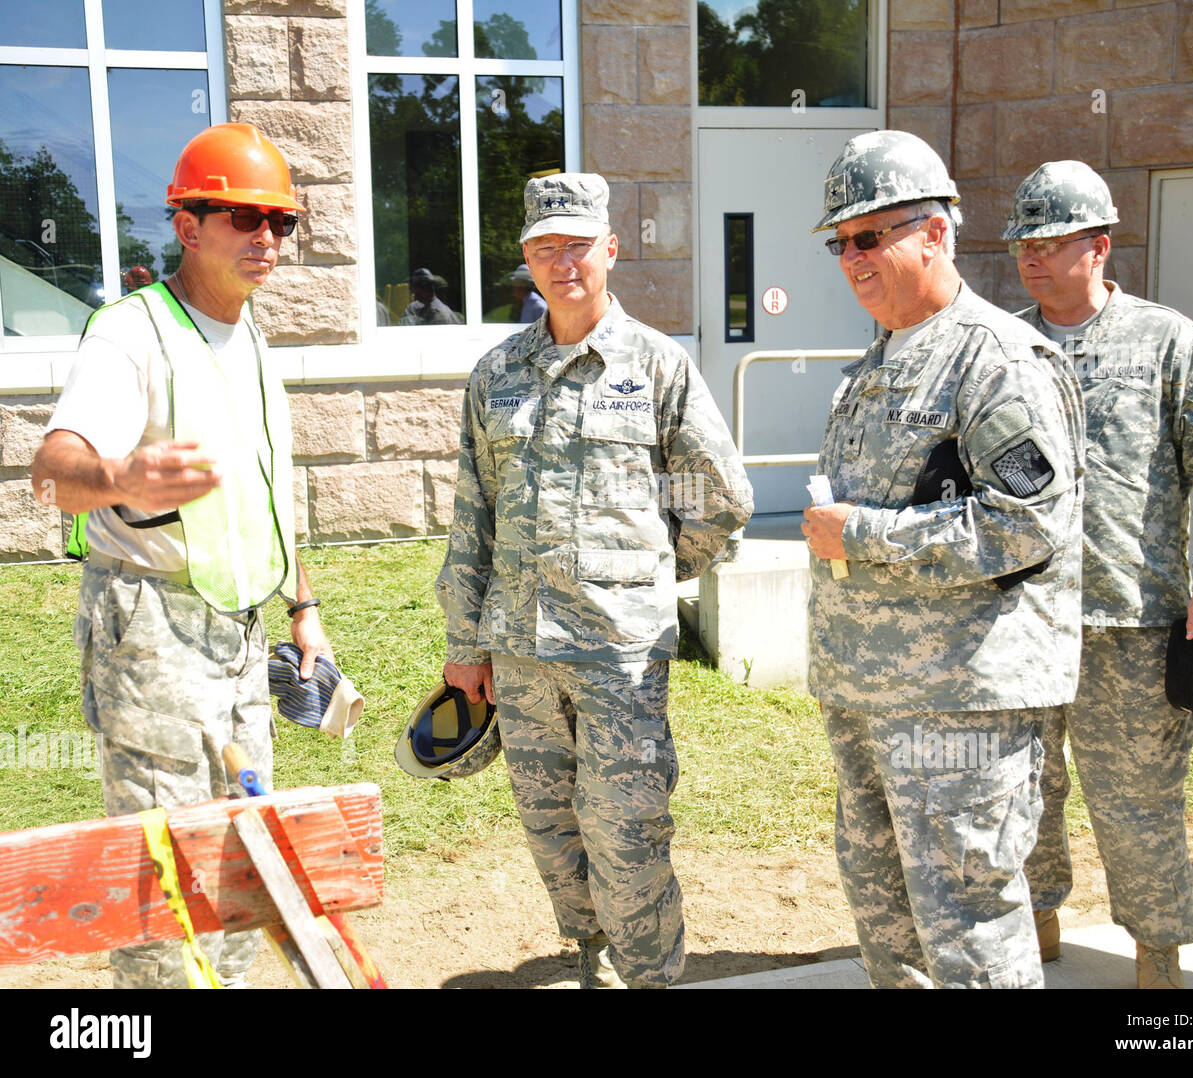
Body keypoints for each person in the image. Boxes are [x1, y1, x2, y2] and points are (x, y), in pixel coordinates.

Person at [30, 122, 333, 989]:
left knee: (242, 849)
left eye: (279, 222)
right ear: (187, 226)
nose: (265, 238)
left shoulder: (254, 339)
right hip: (154, 636)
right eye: (241, 217)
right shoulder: (131, 333)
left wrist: (301, 607)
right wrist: (121, 472)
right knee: (165, 861)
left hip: (239, 640)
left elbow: (268, 491)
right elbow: (51, 473)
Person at [435, 171, 752, 988]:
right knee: (551, 829)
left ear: (610, 249)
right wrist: (465, 644)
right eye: (544, 248)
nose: (561, 261)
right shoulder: (496, 373)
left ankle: (651, 974)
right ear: (527, 264)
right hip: (520, 654)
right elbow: (474, 515)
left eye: (576, 244)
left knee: (627, 829)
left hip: (619, 659)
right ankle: (592, 961)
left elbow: (716, 496)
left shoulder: (656, 367)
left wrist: (649, 575)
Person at [801, 130, 1086, 989]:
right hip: (870, 692)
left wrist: (864, 534)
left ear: (936, 233)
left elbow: (1030, 523)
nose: (852, 259)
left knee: (968, 929)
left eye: (870, 236)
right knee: (888, 927)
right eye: (839, 242)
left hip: (960, 704)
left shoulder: (994, 359)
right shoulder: (882, 360)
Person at [1003, 160, 1193, 988]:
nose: (1033, 259)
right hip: (1020, 623)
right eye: (1024, 244)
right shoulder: (1005, 346)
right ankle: (1038, 923)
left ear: (1100, 246)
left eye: (1052, 243)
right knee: (1021, 795)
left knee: (1138, 807)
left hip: (1133, 624)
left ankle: (1158, 957)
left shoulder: (1164, 341)